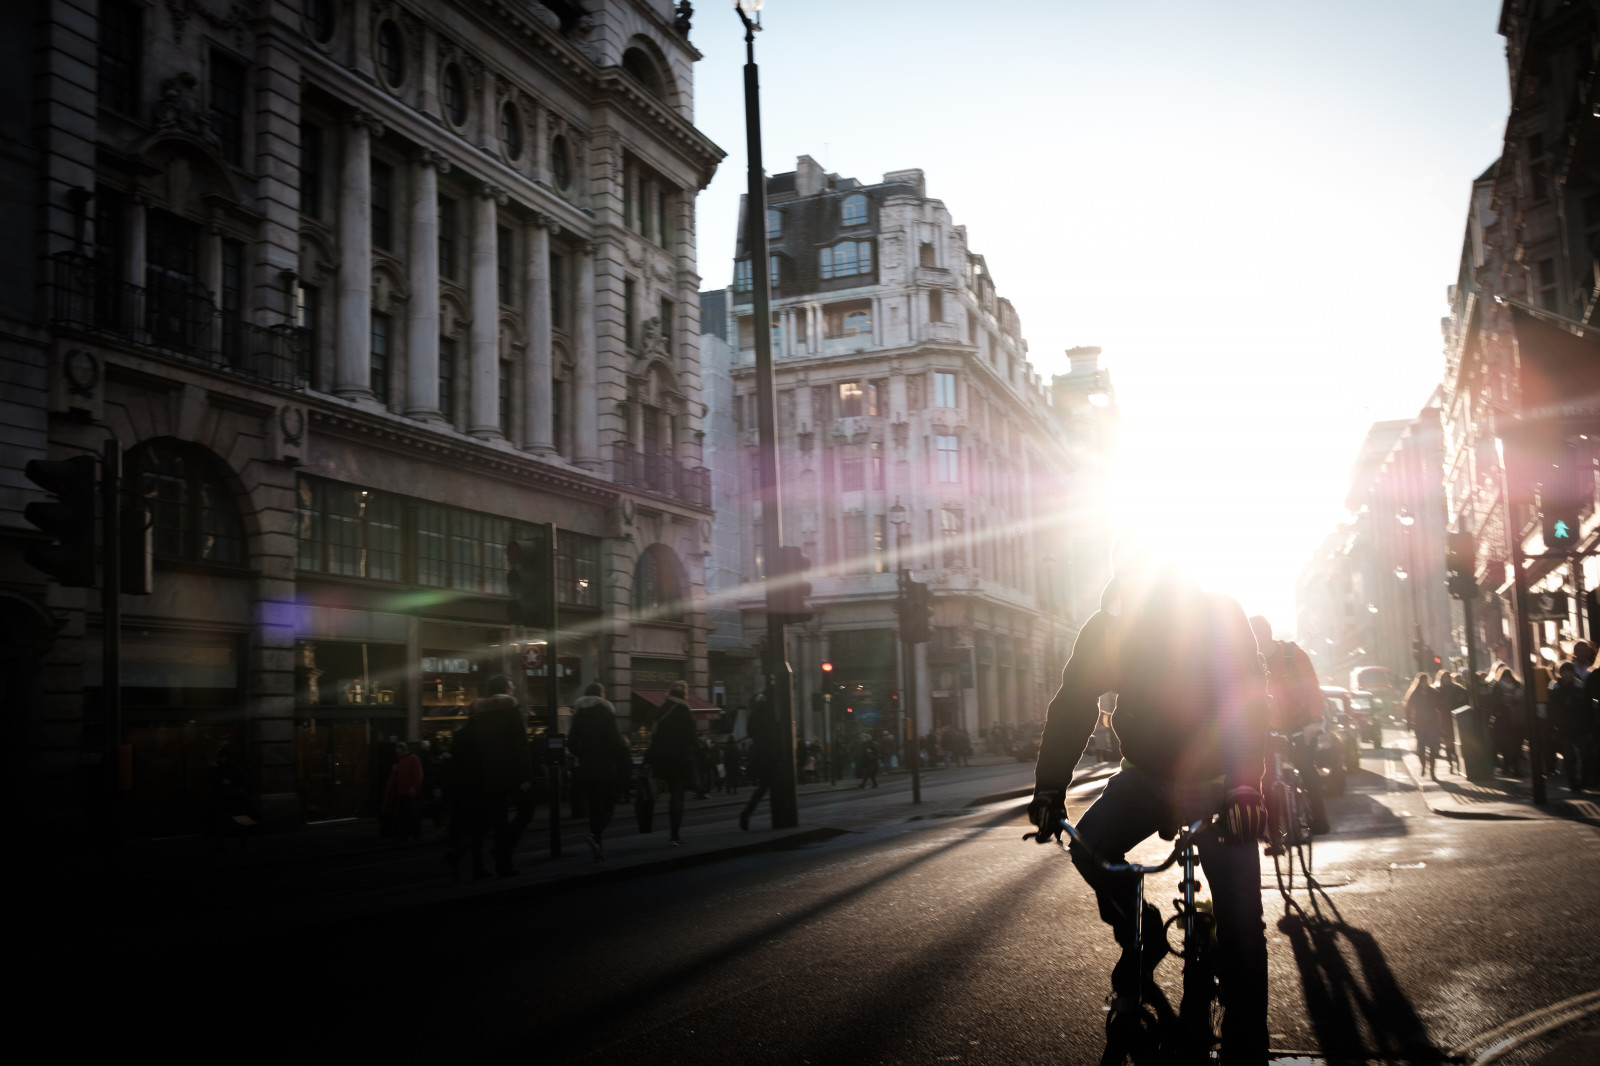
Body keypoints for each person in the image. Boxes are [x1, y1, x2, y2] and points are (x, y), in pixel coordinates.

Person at [1028, 544, 1269, 1063]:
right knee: (1089, 845)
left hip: (1219, 783)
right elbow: (1073, 703)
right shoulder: (1111, 626)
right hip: (1146, 779)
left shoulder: (1219, 616)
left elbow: (1245, 701)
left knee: (1243, 928)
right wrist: (1050, 787)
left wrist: (1246, 785)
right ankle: (1142, 931)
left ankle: (1248, 1038)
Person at [1248, 616, 1329, 836]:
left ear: (1265, 636)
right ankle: (1273, 834)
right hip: (1268, 728)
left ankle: (1319, 819)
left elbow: (1312, 690)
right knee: (1267, 778)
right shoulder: (1250, 663)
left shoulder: (1293, 656)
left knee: (1306, 768)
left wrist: (1314, 722)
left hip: (1300, 724)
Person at [474, 675, 534, 877]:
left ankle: (502, 863)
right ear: (506, 690)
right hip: (512, 773)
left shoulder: (481, 714)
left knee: (499, 819)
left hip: (489, 773)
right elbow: (520, 745)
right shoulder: (511, 711)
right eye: (511, 685)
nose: (514, 687)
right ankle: (502, 854)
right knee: (526, 811)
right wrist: (525, 775)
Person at [567, 682, 630, 861]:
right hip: (605, 767)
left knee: (594, 807)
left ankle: (598, 849)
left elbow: (571, 743)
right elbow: (613, 742)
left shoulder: (578, 716)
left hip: (587, 767)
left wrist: (583, 754)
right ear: (601, 696)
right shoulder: (607, 714)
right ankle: (595, 836)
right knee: (610, 806)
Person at [644, 680, 696, 846]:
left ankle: (647, 825)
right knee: (677, 795)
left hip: (661, 758)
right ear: (685, 694)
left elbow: (654, 735)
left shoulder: (661, 710)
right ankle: (675, 835)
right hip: (678, 758)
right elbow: (691, 738)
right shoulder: (684, 711)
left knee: (655, 790)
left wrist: (650, 760)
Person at [444, 709, 491, 881]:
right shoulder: (485, 735)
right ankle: (464, 859)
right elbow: (485, 762)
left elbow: (454, 763)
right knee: (479, 829)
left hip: (462, 789)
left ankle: (464, 865)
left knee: (466, 829)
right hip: (479, 788)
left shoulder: (460, 734)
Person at [739, 690, 778, 830]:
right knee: (772, 784)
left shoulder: (753, 714)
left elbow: (749, 732)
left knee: (764, 786)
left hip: (759, 754)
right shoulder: (768, 712)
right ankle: (777, 815)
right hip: (770, 753)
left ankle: (747, 812)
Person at [208, 745, 255, 853]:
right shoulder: (220, 767)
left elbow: (241, 780)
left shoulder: (233, 768)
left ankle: (240, 837)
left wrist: (230, 782)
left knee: (227, 821)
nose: (221, 759)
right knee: (223, 822)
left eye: (223, 757)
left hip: (230, 799)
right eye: (221, 757)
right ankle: (224, 843)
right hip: (223, 798)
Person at [381, 741, 424, 840]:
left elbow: (418, 773)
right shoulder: (401, 760)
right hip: (402, 791)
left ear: (405, 750)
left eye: (400, 752)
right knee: (405, 814)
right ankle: (407, 832)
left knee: (412, 813)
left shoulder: (413, 758)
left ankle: (414, 833)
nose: (398, 754)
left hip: (409, 791)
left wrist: (415, 787)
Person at [1403, 672, 1440, 779]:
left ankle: (1432, 772)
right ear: (1419, 682)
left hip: (1432, 723)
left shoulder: (1433, 692)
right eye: (1422, 681)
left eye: (1425, 681)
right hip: (1420, 724)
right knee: (1421, 749)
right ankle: (1423, 766)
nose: (1424, 683)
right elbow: (1408, 709)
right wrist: (1409, 724)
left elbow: (1439, 705)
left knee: (1433, 748)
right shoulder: (1415, 693)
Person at [1434, 669, 1468, 776]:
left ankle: (1458, 764)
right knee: (1448, 743)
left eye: (1447, 677)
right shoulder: (1437, 690)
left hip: (1456, 717)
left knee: (1457, 742)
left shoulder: (1456, 688)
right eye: (1443, 678)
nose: (1445, 680)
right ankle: (1450, 764)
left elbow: (1464, 696)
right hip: (1444, 719)